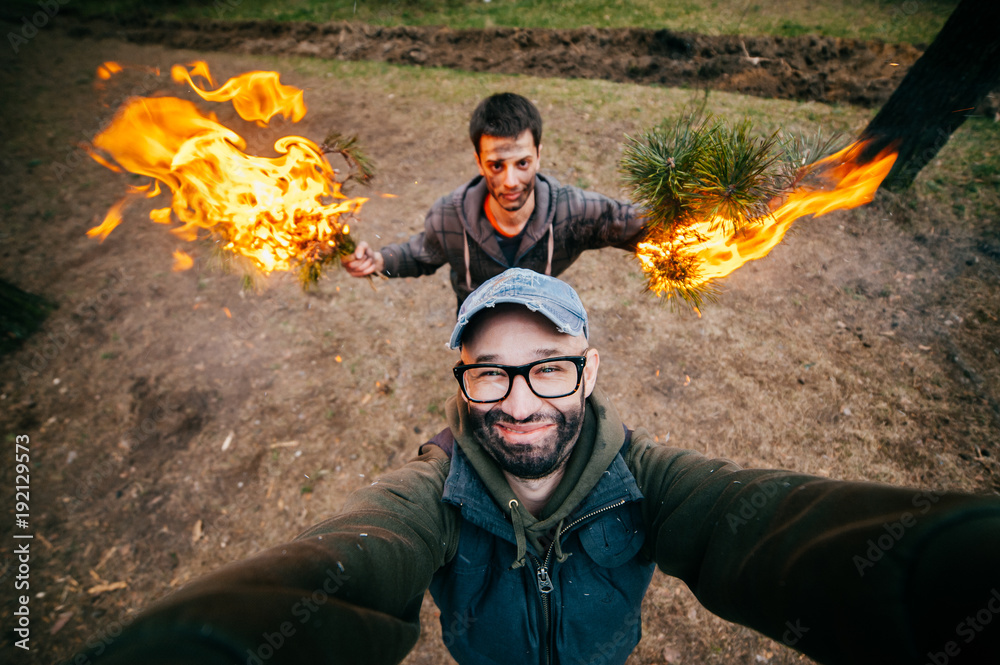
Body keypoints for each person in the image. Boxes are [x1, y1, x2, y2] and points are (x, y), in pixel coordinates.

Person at [73, 269, 1000, 665]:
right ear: (464, 380)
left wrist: (950, 567)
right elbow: (348, 556)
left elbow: (765, 523)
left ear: (589, 372)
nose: (518, 401)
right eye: (490, 373)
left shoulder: (653, 479)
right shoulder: (430, 495)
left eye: (548, 368)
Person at [340, 92, 647, 307]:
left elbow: (633, 223)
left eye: (522, 163)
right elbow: (422, 253)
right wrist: (378, 260)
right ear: (479, 161)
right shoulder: (448, 217)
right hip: (478, 336)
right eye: (496, 165)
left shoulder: (575, 212)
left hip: (539, 329)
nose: (510, 181)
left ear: (539, 155)